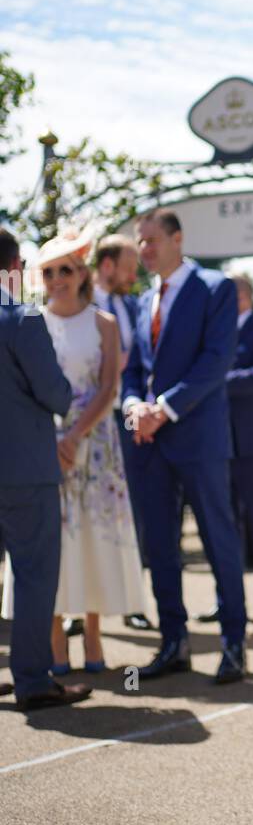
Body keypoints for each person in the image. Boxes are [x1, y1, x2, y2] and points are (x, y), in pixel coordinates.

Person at [2, 224, 147, 676]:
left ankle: (95, 639)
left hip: (94, 444)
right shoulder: (29, 320)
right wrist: (56, 441)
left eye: (65, 269)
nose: (57, 279)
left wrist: (75, 436)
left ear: (82, 272)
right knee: (49, 549)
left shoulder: (103, 323)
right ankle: (54, 648)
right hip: (41, 448)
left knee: (91, 540)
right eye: (47, 272)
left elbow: (109, 387)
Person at [122, 208, 247, 684]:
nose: (144, 249)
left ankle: (234, 645)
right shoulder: (141, 299)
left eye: (152, 240)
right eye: (140, 242)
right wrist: (135, 403)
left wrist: (164, 409)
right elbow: (134, 368)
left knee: (218, 539)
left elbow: (215, 363)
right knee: (160, 544)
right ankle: (173, 642)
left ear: (178, 239)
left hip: (198, 438)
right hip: (147, 440)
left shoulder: (214, 289)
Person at [0, 228, 93, 710]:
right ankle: (33, 681)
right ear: (14, 267)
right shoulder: (22, 320)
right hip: (24, 471)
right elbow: (56, 395)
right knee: (35, 576)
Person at [195, 273, 253, 627]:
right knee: (222, 525)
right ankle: (228, 602)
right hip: (216, 442)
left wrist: (215, 381)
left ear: (243, 297)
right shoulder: (213, 333)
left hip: (252, 443)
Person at [93, 233, 153, 631]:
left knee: (135, 514)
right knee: (89, 513)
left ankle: (134, 601)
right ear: (108, 264)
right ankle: (84, 610)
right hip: (90, 423)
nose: (135, 275)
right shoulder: (77, 306)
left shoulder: (134, 306)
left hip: (128, 421)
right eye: (130, 267)